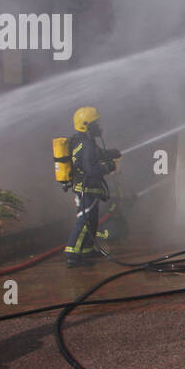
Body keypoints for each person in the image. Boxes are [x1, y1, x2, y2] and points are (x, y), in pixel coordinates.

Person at [65, 106, 121, 267]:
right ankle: (72, 254)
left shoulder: (83, 142)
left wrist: (112, 153)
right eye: (95, 123)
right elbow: (92, 170)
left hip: (87, 188)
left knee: (92, 220)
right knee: (85, 221)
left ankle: (86, 250)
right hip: (86, 188)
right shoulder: (87, 145)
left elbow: (98, 154)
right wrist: (109, 167)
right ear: (86, 125)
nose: (99, 127)